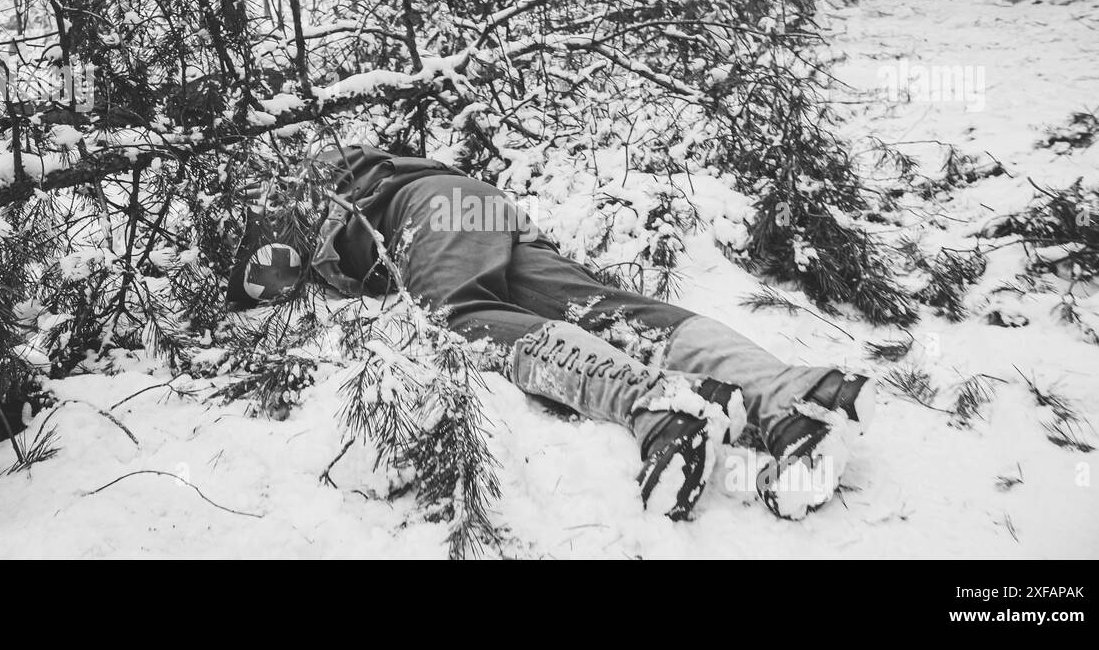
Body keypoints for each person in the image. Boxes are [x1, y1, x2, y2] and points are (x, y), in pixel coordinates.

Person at [229, 145, 875, 521]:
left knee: (457, 320)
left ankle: (655, 405)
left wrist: (260, 281)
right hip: (472, 200)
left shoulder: (288, 197)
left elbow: (274, 267)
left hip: (432, 211)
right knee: (603, 308)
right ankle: (791, 401)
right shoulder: (342, 173)